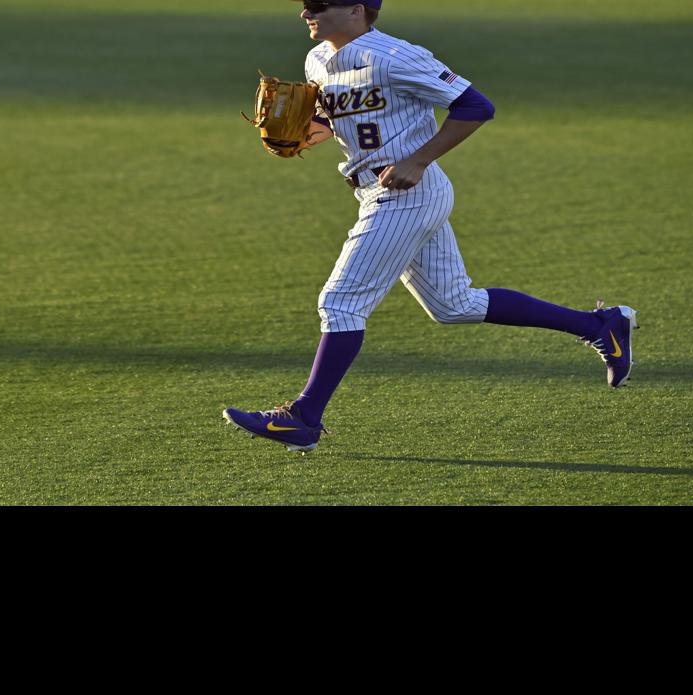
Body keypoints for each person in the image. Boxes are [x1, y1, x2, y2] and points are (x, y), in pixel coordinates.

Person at [223, 0, 639, 453]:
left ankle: (303, 418)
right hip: (374, 188)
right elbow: (352, 117)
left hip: (408, 193)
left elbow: (476, 106)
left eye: (318, 5)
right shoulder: (317, 59)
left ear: (356, 10)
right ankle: (601, 326)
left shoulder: (396, 56)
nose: (307, 12)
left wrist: (419, 159)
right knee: (453, 304)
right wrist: (317, 126)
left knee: (340, 303)